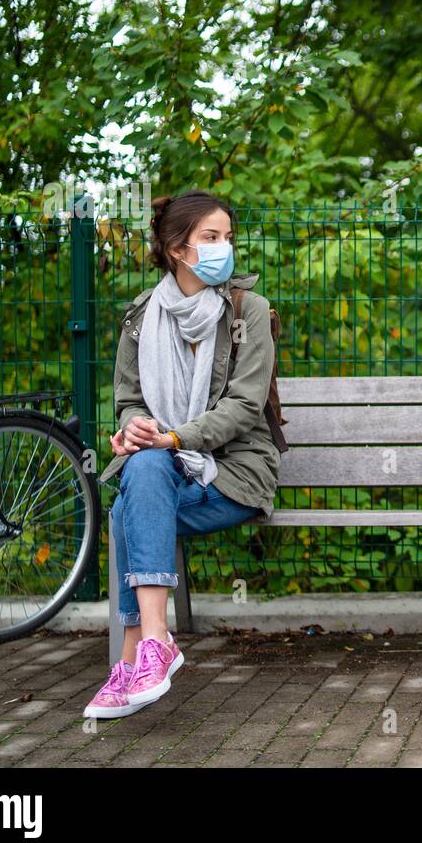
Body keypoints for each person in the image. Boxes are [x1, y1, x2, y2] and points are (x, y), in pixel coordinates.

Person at [83, 190, 280, 718]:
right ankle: (154, 644)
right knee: (141, 467)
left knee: (129, 509)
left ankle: (132, 659)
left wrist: (171, 438)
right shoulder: (141, 319)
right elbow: (128, 403)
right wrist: (134, 429)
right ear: (177, 249)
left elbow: (243, 407)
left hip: (234, 475)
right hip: (164, 470)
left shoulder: (248, 311)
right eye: (210, 238)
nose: (224, 249)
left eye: (228, 238)